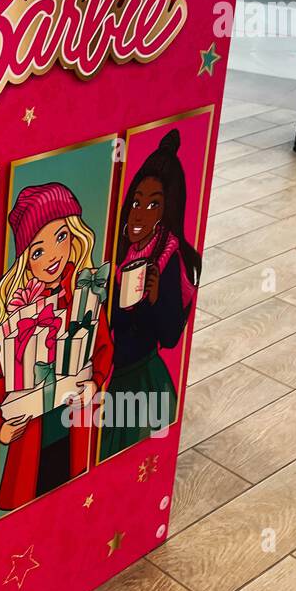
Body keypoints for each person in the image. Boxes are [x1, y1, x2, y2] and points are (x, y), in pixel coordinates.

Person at [0, 183, 112, 510]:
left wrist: (94, 385)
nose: (53, 255)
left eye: (61, 236)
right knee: (34, 512)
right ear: (25, 259)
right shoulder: (17, 316)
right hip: (31, 450)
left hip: (73, 434)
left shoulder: (86, 296)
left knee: (70, 501)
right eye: (38, 251)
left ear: (75, 235)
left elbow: (104, 349)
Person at [100, 129, 201, 459]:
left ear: (167, 210)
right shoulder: (125, 252)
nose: (140, 212)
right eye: (136, 202)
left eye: (153, 204)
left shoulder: (168, 259)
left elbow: (170, 336)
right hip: (119, 377)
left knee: (130, 457)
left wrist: (156, 300)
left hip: (144, 380)